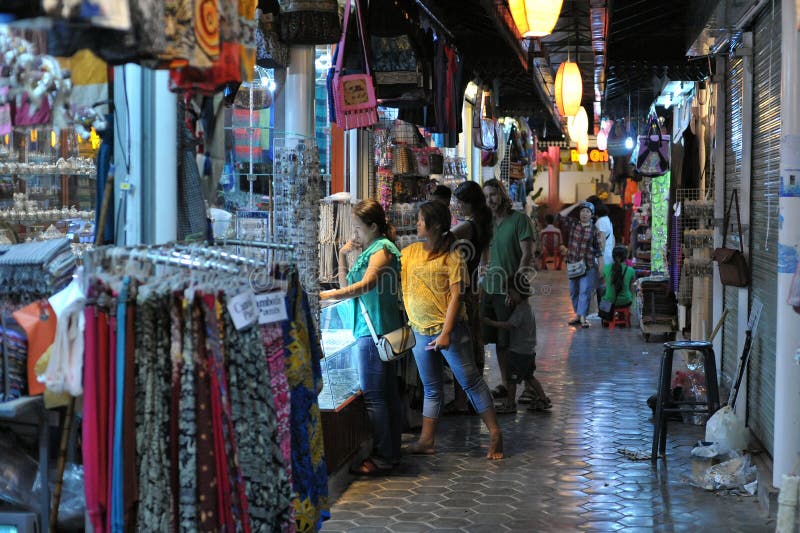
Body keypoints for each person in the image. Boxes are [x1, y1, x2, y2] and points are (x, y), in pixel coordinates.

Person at [400, 201, 503, 460]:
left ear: (434, 226)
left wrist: (445, 333)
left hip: (451, 332)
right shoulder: (410, 252)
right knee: (431, 386)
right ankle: (426, 440)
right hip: (421, 330)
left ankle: (495, 434)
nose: (417, 224)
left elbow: (457, 296)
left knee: (470, 382)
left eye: (421, 220)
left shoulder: (453, 256)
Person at [319, 199, 403, 475]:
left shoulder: (382, 249)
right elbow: (349, 286)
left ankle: (383, 456)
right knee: (385, 395)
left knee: (376, 397)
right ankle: (390, 452)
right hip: (370, 329)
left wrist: (328, 295)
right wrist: (343, 257)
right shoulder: (370, 249)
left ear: (373, 226)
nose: (354, 233)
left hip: (374, 330)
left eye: (357, 227)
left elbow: (366, 285)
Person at [481, 179, 536, 403]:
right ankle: (506, 383)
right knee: (497, 341)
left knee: (514, 343)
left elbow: (527, 254)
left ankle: (528, 386)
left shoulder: (520, 220)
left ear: (502, 194)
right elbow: (485, 253)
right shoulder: (487, 225)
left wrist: (516, 288)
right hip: (489, 288)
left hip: (510, 291)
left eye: (493, 195)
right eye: (486, 197)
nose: (490, 201)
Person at [447, 181, 493, 413]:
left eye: (460, 202)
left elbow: (443, 239)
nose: (457, 206)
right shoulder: (483, 223)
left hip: (463, 290)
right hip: (472, 288)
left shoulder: (468, 226)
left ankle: (461, 400)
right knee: (471, 344)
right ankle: (470, 398)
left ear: (469, 204)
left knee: (461, 347)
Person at [481, 278, 550, 414]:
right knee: (529, 377)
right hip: (528, 351)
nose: (508, 296)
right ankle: (543, 399)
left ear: (518, 293)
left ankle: (510, 404)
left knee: (511, 379)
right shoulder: (528, 308)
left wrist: (490, 323)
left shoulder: (520, 310)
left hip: (518, 352)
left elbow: (509, 325)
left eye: (510, 293)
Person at [558, 201, 602, 329]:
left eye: (587, 211)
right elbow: (560, 216)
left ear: (592, 215)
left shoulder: (594, 230)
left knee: (584, 291)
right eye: (582, 211)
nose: (584, 213)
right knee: (573, 292)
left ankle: (582, 317)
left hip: (587, 266)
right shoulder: (573, 225)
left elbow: (598, 250)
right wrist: (575, 204)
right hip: (573, 264)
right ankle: (578, 315)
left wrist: (600, 266)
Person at [586, 195, 615, 314]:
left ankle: (599, 312)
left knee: (596, 286)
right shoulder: (606, 219)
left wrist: (599, 260)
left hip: (603, 259)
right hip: (608, 257)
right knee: (603, 287)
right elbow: (613, 239)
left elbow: (601, 242)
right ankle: (604, 312)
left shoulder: (600, 222)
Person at [602, 245, 636, 311]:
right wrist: (633, 300)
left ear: (613, 256)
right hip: (625, 301)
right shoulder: (631, 270)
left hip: (609, 301)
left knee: (603, 294)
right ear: (626, 257)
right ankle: (624, 316)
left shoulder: (606, 268)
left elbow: (606, 285)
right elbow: (631, 288)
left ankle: (606, 319)